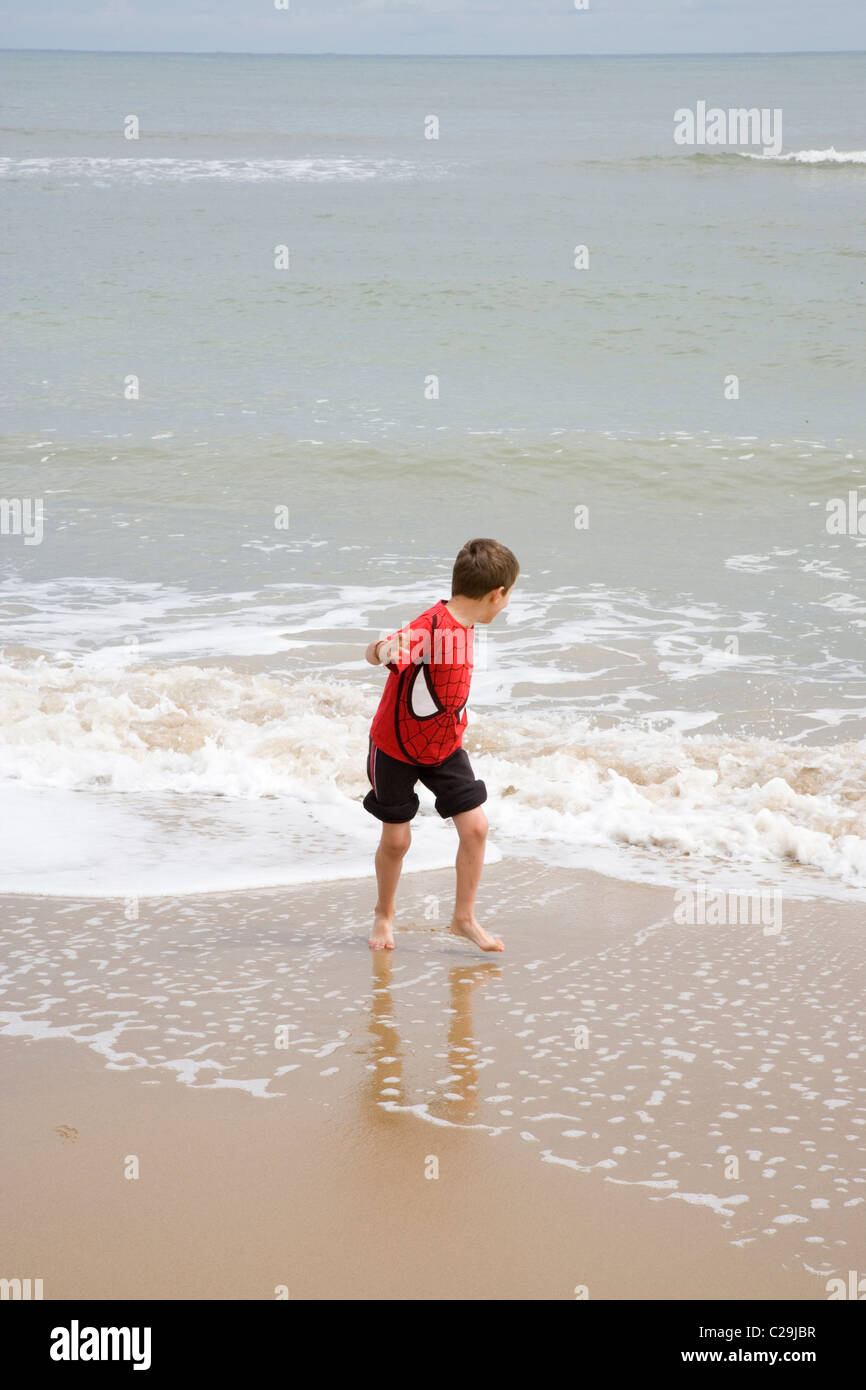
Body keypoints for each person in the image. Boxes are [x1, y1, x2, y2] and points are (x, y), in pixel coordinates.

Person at [363, 537, 519, 953]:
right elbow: (375, 651)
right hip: (396, 746)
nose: (505, 605)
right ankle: (384, 912)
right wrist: (384, 649)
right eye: (508, 597)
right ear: (496, 594)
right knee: (397, 841)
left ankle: (463, 918)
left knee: (476, 828)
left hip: (444, 746)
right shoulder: (432, 627)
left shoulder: (465, 626)